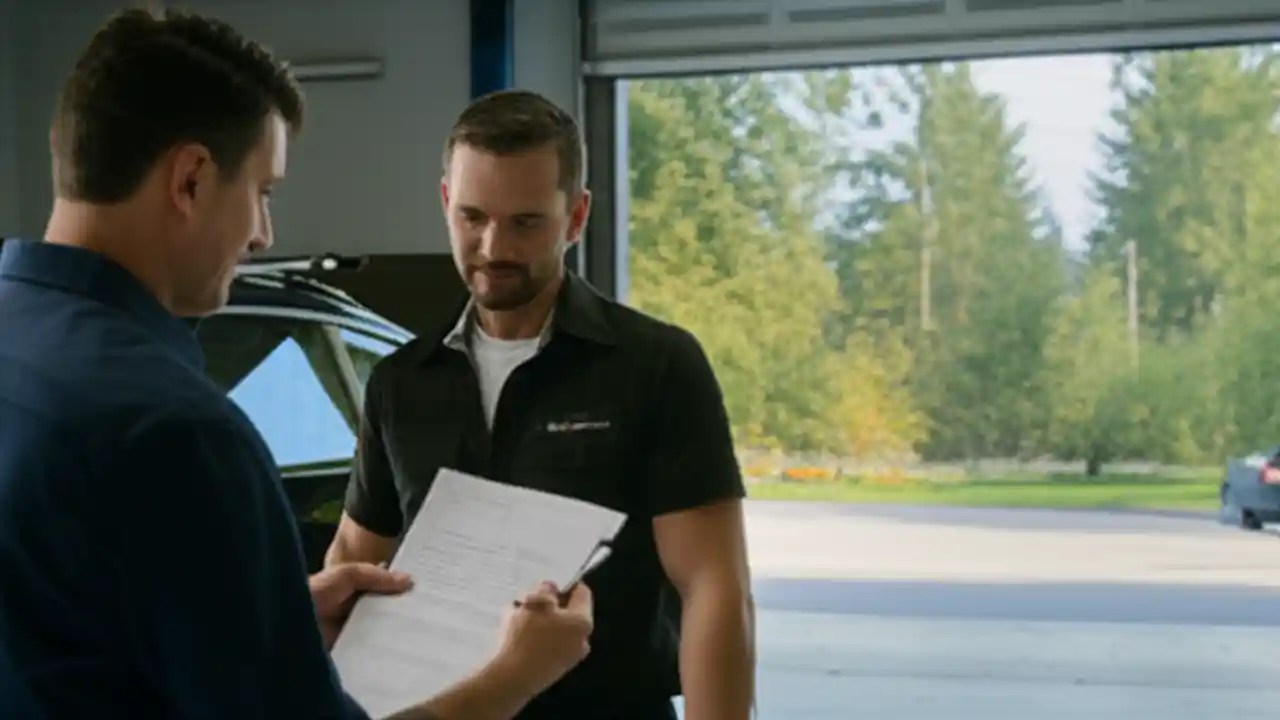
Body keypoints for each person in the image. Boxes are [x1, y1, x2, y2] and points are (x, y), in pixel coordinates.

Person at [0, 9, 594, 720]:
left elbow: (70, 629)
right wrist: (516, 675)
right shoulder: (175, 431)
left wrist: (265, 619)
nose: (263, 233)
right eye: (263, 192)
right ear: (191, 179)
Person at [325, 89, 757, 719]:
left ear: (576, 217)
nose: (493, 247)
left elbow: (713, 586)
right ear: (445, 202)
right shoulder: (400, 382)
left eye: (525, 222)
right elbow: (354, 560)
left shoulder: (655, 366)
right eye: (472, 217)